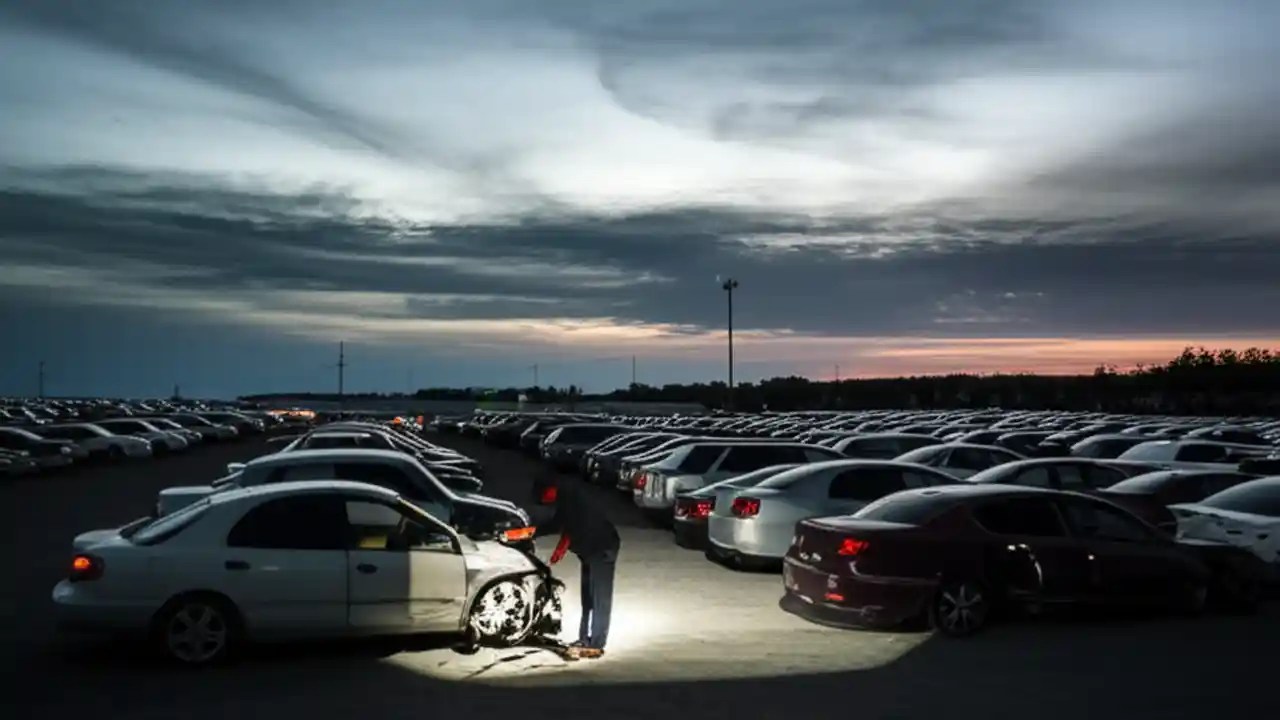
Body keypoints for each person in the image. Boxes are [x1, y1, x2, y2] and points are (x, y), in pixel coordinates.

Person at [533, 474, 620, 660]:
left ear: (551, 490)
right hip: (589, 549)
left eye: (544, 498)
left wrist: (558, 553)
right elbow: (557, 525)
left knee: (599, 598)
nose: (544, 502)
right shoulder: (565, 500)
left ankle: (596, 644)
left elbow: (568, 531)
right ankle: (583, 639)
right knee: (587, 598)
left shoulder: (573, 500)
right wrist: (531, 531)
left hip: (602, 548)